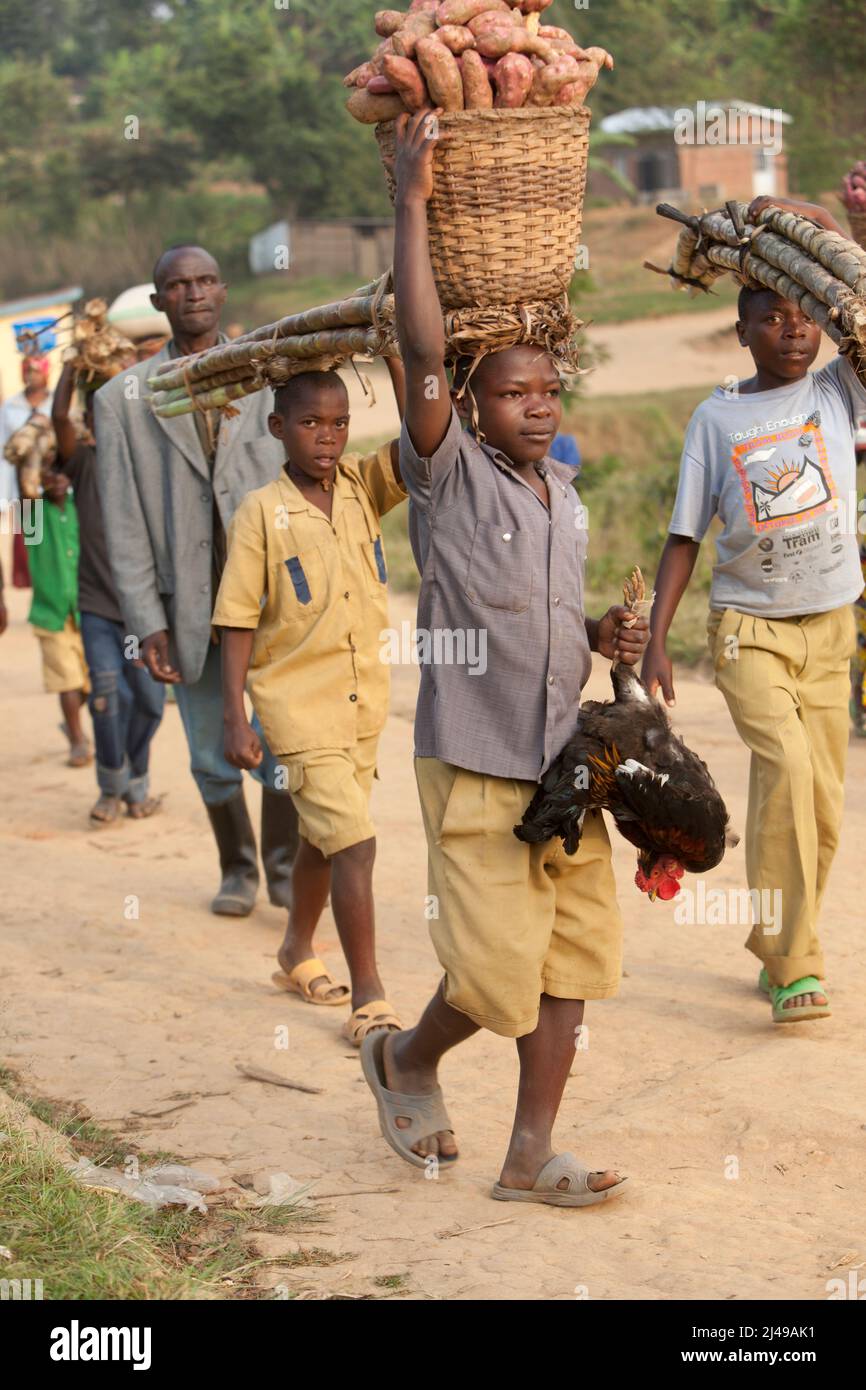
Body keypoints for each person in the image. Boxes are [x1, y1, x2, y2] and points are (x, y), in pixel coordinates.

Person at [359, 110, 649, 1206]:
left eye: (549, 391)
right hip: (477, 763)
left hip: (561, 768)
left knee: (571, 964)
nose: (539, 406)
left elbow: (549, 621)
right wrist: (412, 199)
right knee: (489, 977)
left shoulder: (562, 498)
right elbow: (423, 348)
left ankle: (528, 1157)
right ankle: (405, 1056)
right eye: (515, 393)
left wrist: (600, 639)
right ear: (471, 406)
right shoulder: (447, 474)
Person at [642, 195, 866, 1025]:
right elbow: (682, 537)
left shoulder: (841, 392)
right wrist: (657, 641)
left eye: (804, 315)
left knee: (824, 808)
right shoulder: (717, 417)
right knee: (788, 774)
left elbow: (861, 304)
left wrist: (823, 226)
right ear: (740, 333)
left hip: (831, 627)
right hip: (750, 632)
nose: (793, 329)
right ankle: (800, 968)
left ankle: (777, 942)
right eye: (770, 317)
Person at [95, 244, 300, 915]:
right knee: (211, 745)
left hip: (270, 600)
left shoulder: (269, 371)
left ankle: (282, 866)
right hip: (189, 607)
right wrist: (144, 617)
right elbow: (122, 520)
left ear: (224, 291)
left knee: (279, 741)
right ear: (158, 303)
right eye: (177, 285)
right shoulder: (122, 400)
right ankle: (237, 867)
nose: (193, 294)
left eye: (206, 280)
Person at [213, 359, 408, 1044]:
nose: (327, 437)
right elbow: (236, 616)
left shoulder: (360, 488)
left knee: (322, 836)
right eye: (310, 423)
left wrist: (399, 359)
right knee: (354, 840)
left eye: (339, 423)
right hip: (296, 710)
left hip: (361, 706)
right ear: (278, 428)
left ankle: (296, 948)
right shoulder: (260, 514)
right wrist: (235, 715)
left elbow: (423, 438)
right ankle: (373, 994)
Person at [53, 362, 166, 826]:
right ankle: (110, 786)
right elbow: (61, 420)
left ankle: (135, 782)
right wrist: (69, 365)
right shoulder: (84, 461)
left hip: (144, 612)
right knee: (105, 694)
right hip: (96, 605)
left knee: (149, 702)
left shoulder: (153, 462)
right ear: (92, 426)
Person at [27, 457, 92, 767]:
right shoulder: (31, 514)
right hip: (50, 612)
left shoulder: (82, 505)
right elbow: (26, 490)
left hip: (86, 609)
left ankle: (71, 720)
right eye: (47, 472)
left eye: (60, 470)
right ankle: (78, 739)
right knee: (66, 680)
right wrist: (25, 461)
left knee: (89, 683)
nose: (56, 478)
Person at [0, 356, 52, 590]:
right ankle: (39, 593)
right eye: (27, 371)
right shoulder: (10, 407)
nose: (32, 376)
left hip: (53, 483)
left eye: (37, 371)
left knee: (56, 541)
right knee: (32, 542)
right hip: (25, 488)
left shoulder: (56, 404)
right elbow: (4, 450)